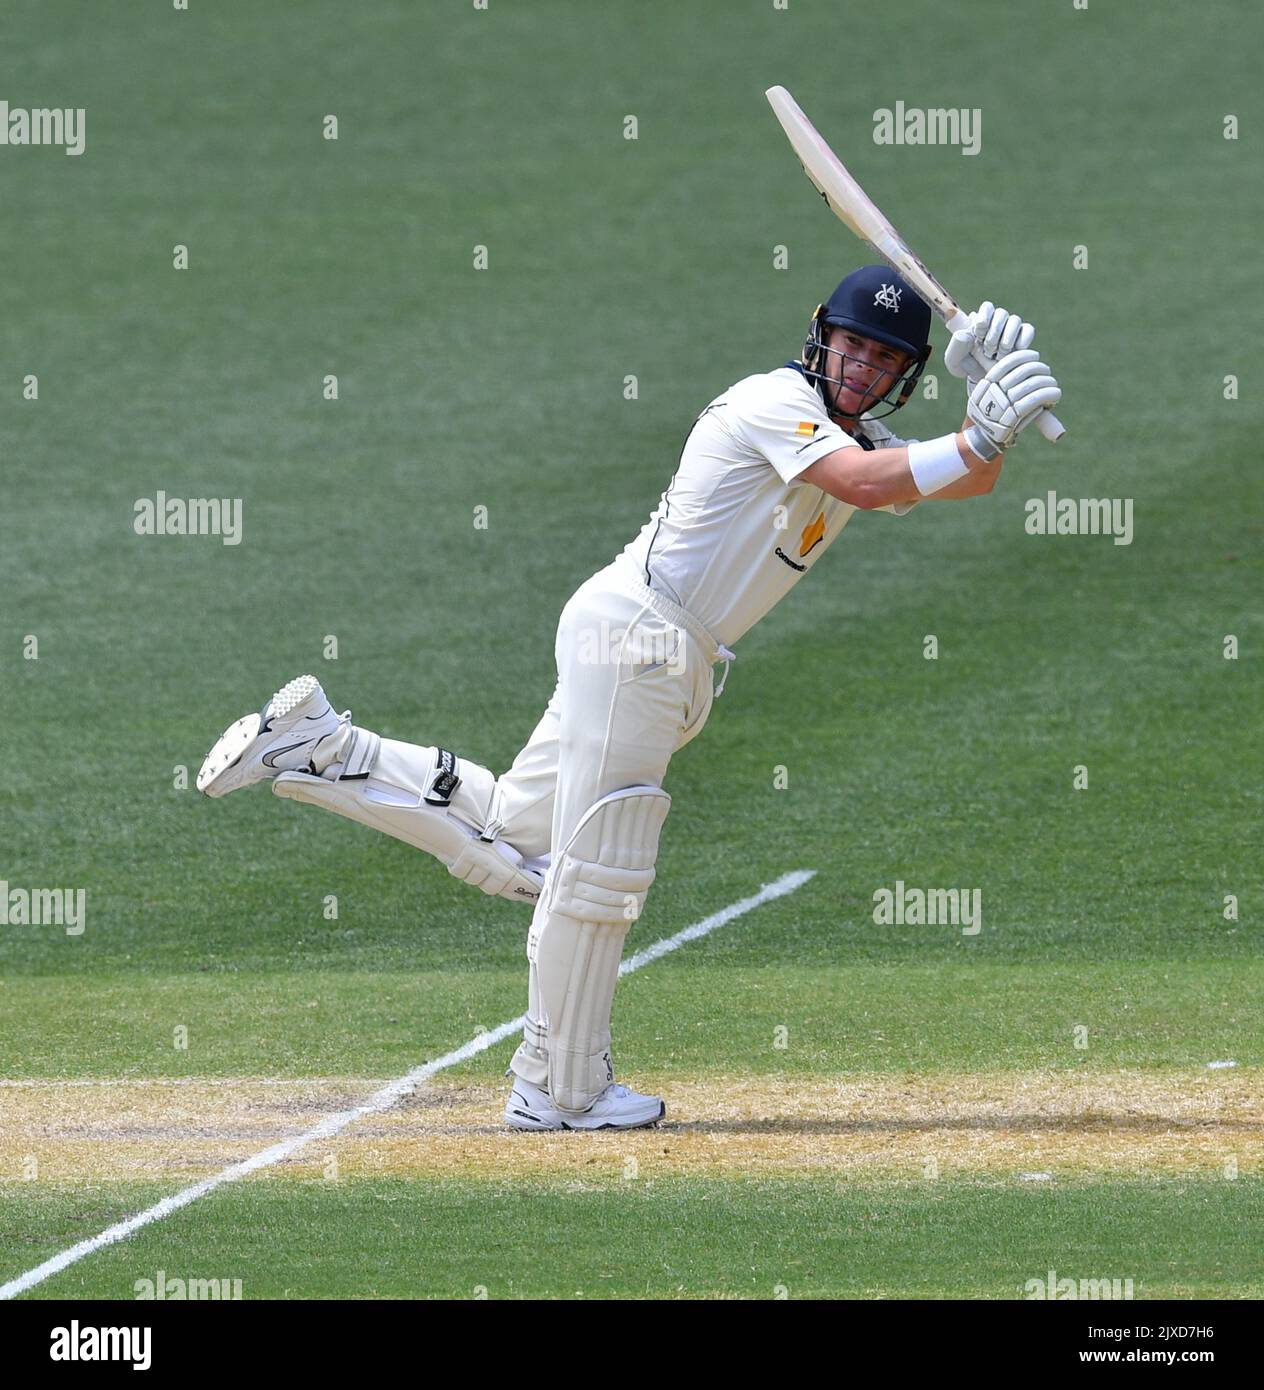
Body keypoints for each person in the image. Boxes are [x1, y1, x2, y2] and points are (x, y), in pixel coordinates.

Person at [197, 265, 1060, 1131]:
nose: (863, 367)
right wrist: (978, 434)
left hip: (655, 647)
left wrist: (991, 418)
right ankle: (557, 1086)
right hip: (641, 638)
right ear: (820, 336)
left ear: (905, 375)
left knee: (518, 837)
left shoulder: (855, 434)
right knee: (598, 866)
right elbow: (871, 484)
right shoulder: (773, 401)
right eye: (854, 344)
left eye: (885, 357)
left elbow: (949, 478)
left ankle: (327, 748)